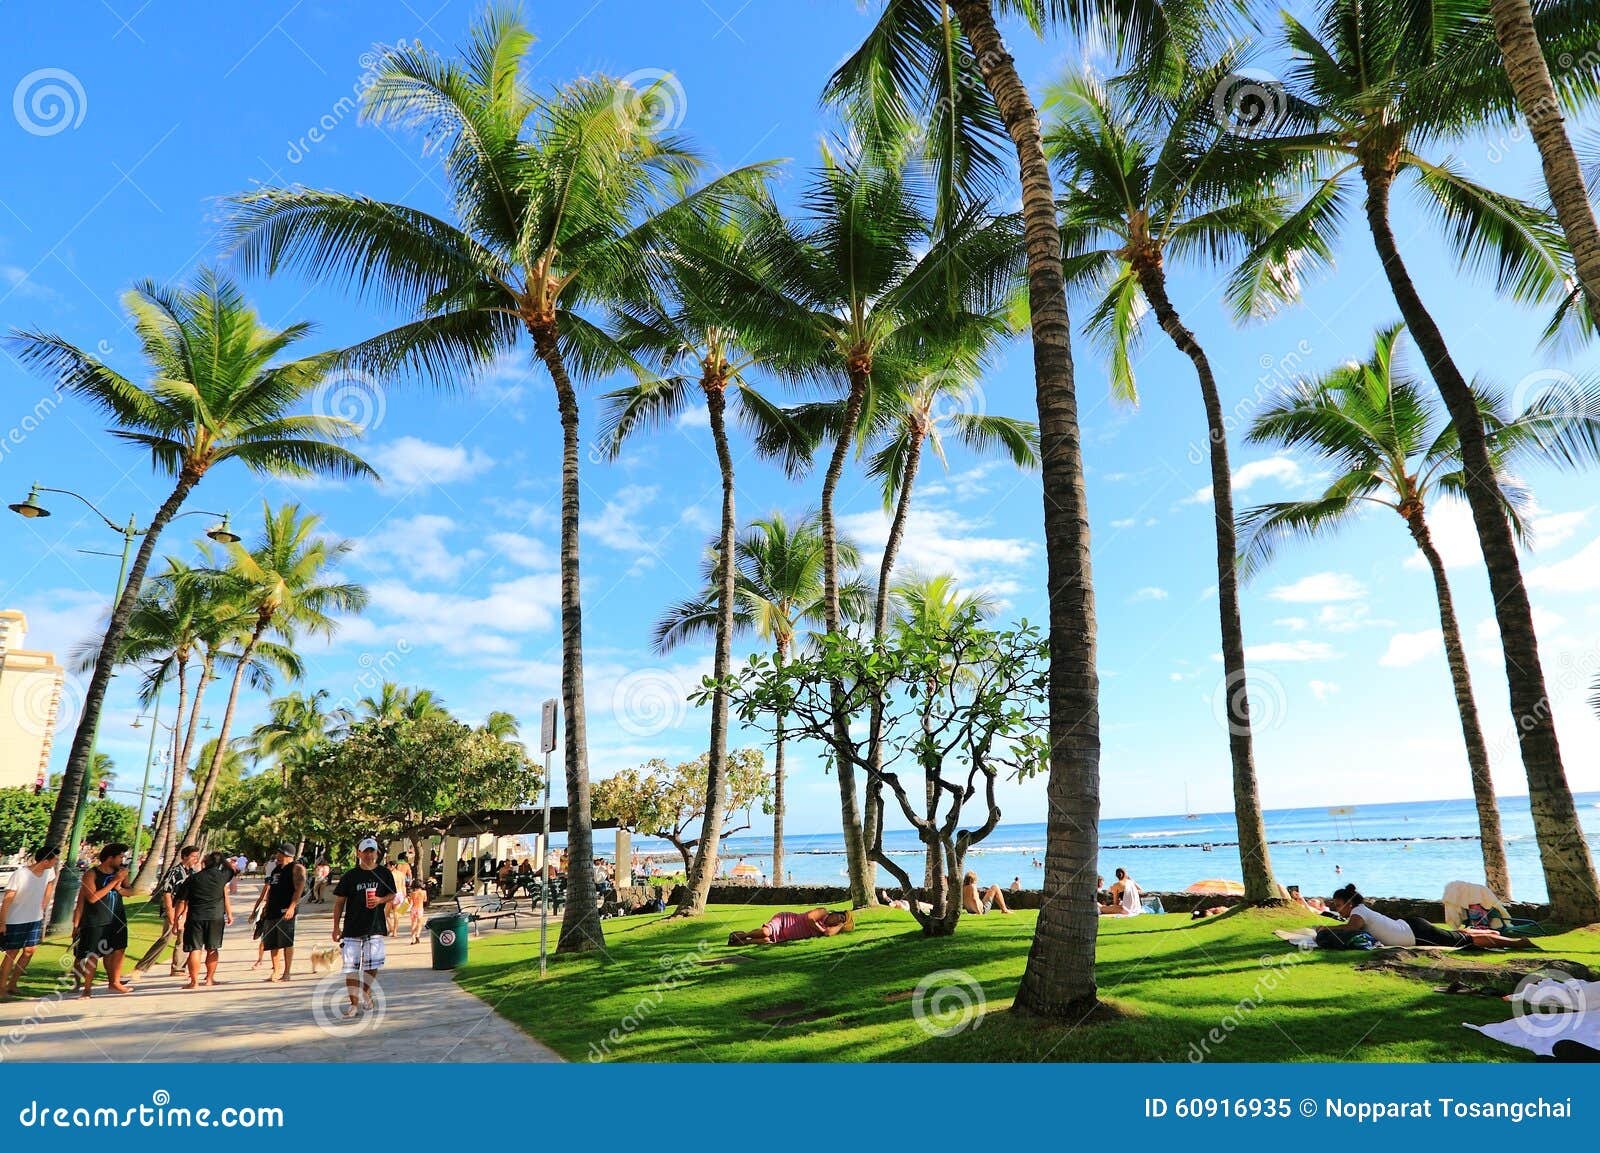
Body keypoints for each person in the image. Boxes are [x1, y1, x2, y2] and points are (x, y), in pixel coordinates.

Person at [1328, 884, 1535, 949]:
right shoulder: (1360, 910)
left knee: (1464, 941)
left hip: (1414, 934)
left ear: (1349, 902)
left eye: (1339, 906)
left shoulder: (1357, 913)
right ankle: (1490, 931)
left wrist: (1325, 929)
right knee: (1456, 934)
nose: (1338, 910)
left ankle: (1518, 943)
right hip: (1410, 928)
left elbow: (1352, 929)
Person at [331, 837, 397, 1018]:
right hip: (352, 927)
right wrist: (336, 927)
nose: (369, 855)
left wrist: (380, 900)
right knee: (350, 967)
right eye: (365, 851)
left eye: (372, 851)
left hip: (375, 925)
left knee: (372, 964)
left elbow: (392, 894)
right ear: (359, 853)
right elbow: (339, 902)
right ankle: (353, 1004)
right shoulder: (350, 876)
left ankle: (365, 992)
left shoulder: (384, 873)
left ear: (376, 853)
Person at [72, 843, 135, 997]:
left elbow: (130, 892)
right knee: (91, 955)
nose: (122, 860)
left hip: (117, 919)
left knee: (118, 949)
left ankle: (115, 982)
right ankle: (86, 989)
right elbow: (92, 898)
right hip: (96, 920)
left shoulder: (121, 872)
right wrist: (114, 882)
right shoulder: (91, 874)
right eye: (120, 857)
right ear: (110, 858)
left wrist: (120, 887)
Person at [2, 845, 59, 999]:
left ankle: (13, 984)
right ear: (46, 861)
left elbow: (50, 883)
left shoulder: (49, 872)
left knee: (29, 951)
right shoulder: (21, 874)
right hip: (16, 919)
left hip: (35, 918)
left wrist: (44, 903)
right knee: (12, 953)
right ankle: (1, 988)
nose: (55, 862)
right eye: (54, 860)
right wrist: (2, 922)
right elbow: (7, 899)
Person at [175, 851, 236, 988]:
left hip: (195, 917)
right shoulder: (222, 877)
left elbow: (182, 901)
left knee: (195, 949)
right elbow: (231, 870)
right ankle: (209, 979)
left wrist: (177, 919)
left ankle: (194, 982)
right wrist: (221, 859)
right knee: (212, 948)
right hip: (215, 917)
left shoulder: (193, 878)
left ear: (204, 863)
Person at [248, 844, 305, 982]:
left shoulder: (296, 868)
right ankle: (276, 970)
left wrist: (292, 907)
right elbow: (271, 890)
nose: (278, 856)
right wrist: (265, 907)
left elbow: (299, 888)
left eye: (281, 854)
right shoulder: (276, 870)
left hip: (286, 910)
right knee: (272, 943)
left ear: (288, 856)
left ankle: (287, 972)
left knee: (286, 942)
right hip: (272, 909)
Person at [155, 845, 201, 976]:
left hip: (185, 910)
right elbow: (166, 892)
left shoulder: (191, 873)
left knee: (183, 939)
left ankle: (178, 968)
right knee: (165, 939)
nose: (195, 859)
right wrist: (170, 911)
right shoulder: (175, 871)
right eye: (193, 856)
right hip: (174, 908)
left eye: (197, 857)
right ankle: (142, 966)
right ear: (185, 856)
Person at [728, 908, 852, 945]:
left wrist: (842, 925)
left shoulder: (829, 928)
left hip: (788, 935)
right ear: (835, 913)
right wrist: (820, 929)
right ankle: (743, 935)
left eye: (840, 921)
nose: (838, 920)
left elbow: (828, 934)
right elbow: (809, 919)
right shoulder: (823, 912)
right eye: (840, 916)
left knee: (766, 940)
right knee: (766, 932)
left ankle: (743, 942)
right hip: (786, 920)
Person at [388, 852, 413, 934]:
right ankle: (395, 931)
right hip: (400, 892)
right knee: (397, 912)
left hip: (392, 892)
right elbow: (409, 875)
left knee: (386, 913)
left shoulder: (396, 866)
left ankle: (391, 928)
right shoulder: (406, 865)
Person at [406, 878, 428, 944]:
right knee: (419, 923)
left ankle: (413, 938)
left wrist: (408, 898)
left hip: (413, 909)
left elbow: (410, 903)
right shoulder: (424, 892)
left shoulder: (412, 893)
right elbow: (425, 900)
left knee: (413, 924)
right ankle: (417, 935)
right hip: (420, 909)